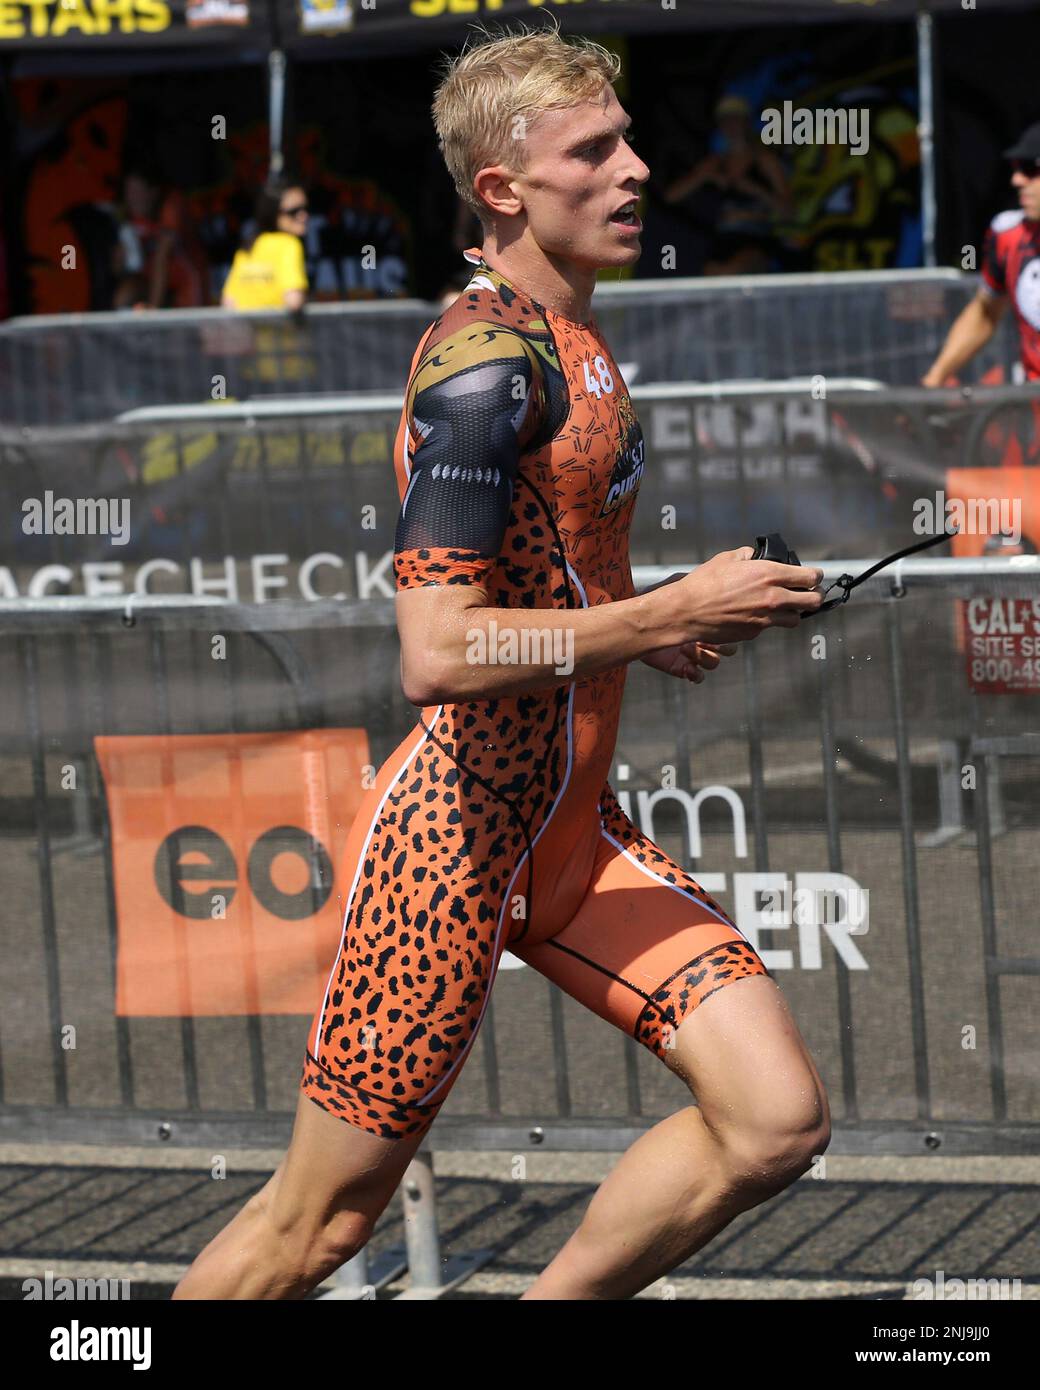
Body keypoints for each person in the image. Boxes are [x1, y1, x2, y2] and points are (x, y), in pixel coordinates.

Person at [172, 21, 829, 1302]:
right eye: (594, 149)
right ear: (501, 188)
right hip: (453, 848)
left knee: (773, 1119)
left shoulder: (573, 336)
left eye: (628, 136)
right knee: (316, 1227)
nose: (637, 167)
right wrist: (654, 614)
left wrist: (664, 623)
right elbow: (434, 650)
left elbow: (555, 573)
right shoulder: (482, 363)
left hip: (573, 838)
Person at [922, 120, 1040, 386]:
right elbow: (985, 312)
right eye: (1015, 168)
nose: (1017, 179)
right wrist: (935, 378)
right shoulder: (1008, 234)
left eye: (1031, 168)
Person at [663, 94, 792, 275]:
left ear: (746, 122)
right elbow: (671, 196)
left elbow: (788, 211)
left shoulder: (764, 160)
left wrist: (755, 190)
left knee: (731, 271)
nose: (731, 125)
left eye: (735, 119)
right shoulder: (715, 162)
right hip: (722, 240)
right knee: (712, 275)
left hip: (756, 240)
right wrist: (704, 177)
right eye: (726, 120)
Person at [112, 164, 209, 311]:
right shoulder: (125, 214)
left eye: (137, 192)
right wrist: (120, 259)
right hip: (151, 277)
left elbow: (161, 258)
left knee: (191, 325)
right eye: (128, 191)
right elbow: (118, 268)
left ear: (153, 192)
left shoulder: (171, 207)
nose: (132, 198)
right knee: (124, 295)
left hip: (185, 274)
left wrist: (153, 309)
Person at [221, 180, 310, 312]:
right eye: (293, 211)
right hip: (280, 332)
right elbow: (293, 300)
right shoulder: (290, 245)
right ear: (273, 213)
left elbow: (228, 302)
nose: (304, 215)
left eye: (305, 208)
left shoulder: (250, 244)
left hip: (247, 331)